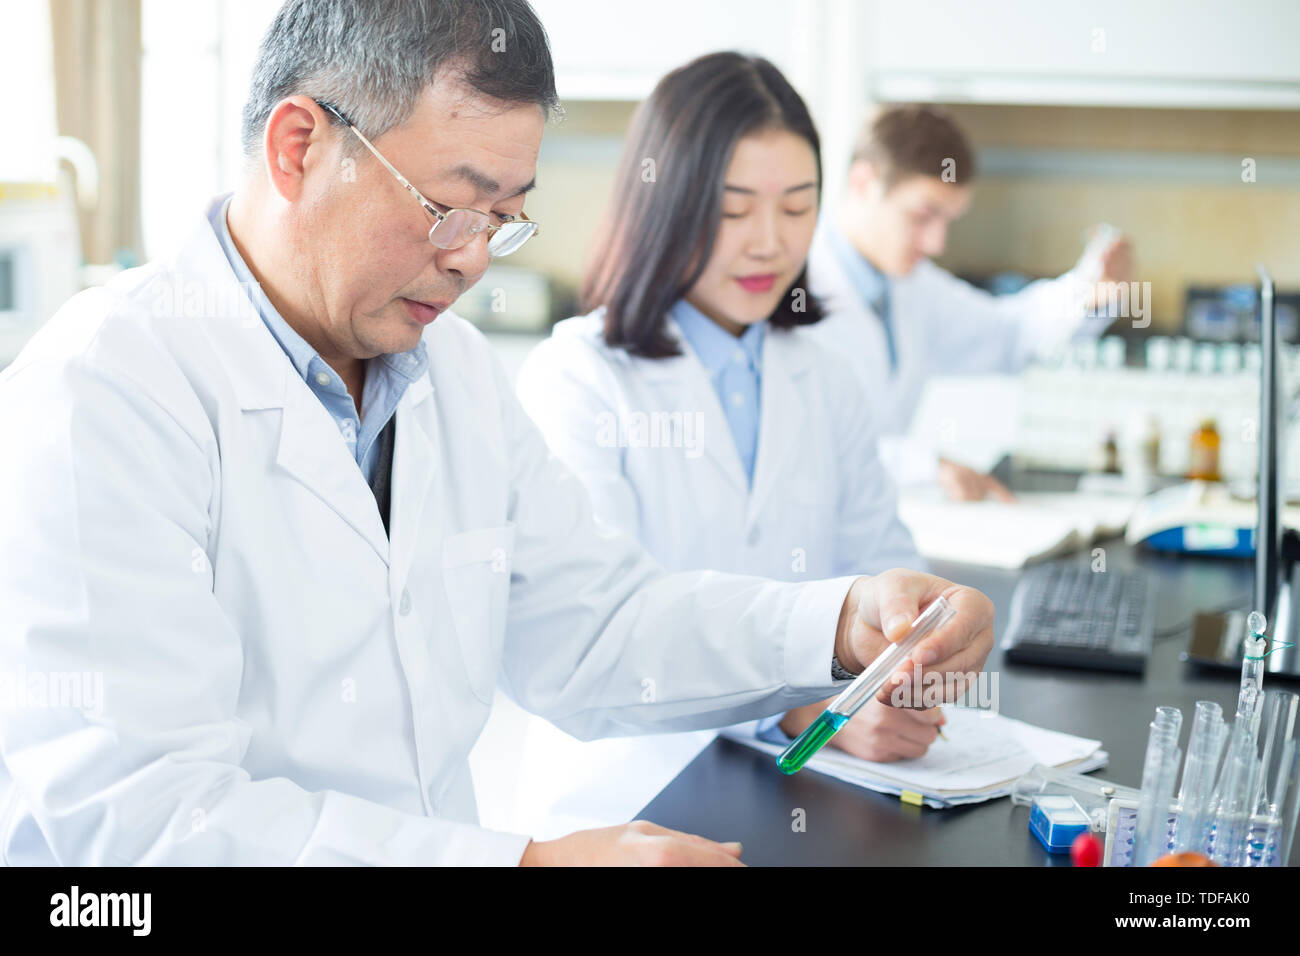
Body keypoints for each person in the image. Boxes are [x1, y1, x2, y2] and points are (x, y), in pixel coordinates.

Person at [0, 0, 994, 866]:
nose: (473, 258)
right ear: (297, 146)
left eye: (503, 218)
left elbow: (598, 627)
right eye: (448, 208)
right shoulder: (104, 391)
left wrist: (837, 621)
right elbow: (146, 820)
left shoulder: (457, 375)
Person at [510, 52, 946, 837]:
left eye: (797, 207)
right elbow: (600, 636)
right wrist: (796, 706)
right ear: (665, 204)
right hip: (625, 801)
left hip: (808, 793)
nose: (770, 243)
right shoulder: (576, 378)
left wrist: (895, 676)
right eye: (734, 210)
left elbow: (881, 562)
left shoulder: (826, 378)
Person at [805, 105, 1135, 501]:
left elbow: (1008, 334)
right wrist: (927, 467)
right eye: (923, 216)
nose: (937, 243)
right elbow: (812, 445)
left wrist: (1089, 291)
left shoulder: (914, 287)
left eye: (947, 220)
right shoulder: (793, 292)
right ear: (863, 183)